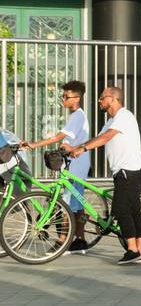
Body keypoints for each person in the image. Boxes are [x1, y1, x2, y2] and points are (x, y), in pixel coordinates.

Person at [68, 87, 141, 264]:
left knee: (120, 210)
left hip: (131, 170)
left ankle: (132, 250)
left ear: (113, 99)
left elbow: (106, 138)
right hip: (123, 171)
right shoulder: (111, 120)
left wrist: (82, 149)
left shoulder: (124, 116)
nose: (99, 101)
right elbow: (98, 138)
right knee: (134, 210)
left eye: (102, 98)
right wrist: (73, 148)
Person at [20, 80, 91, 252]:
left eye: (67, 96)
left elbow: (58, 137)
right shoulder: (74, 116)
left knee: (66, 204)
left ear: (77, 98)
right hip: (70, 164)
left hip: (77, 165)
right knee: (74, 204)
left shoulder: (78, 115)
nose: (63, 99)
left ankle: (62, 242)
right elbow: (66, 141)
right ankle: (79, 240)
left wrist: (33, 144)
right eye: (63, 95)